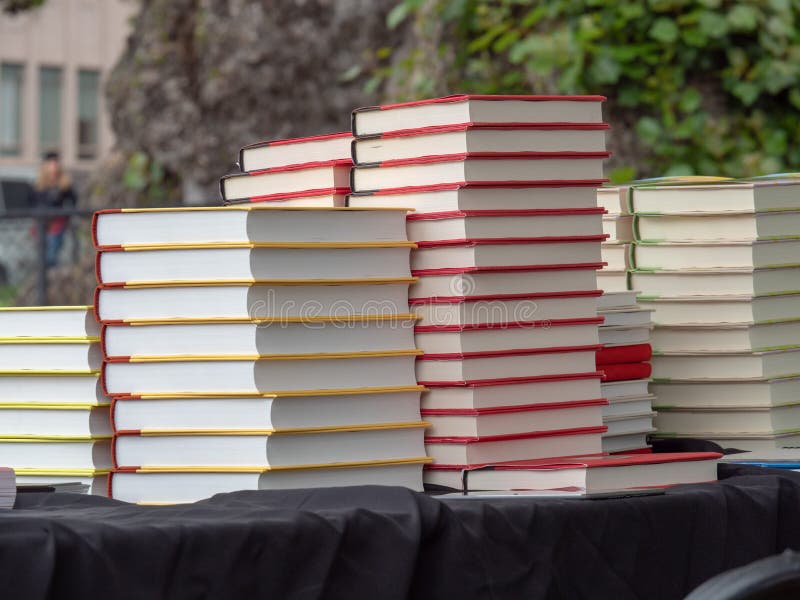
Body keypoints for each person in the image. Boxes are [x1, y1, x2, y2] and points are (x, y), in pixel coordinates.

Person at [31, 152, 76, 268]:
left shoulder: (64, 185)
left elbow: (72, 202)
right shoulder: (39, 185)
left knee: (52, 256)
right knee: (41, 256)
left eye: (56, 163)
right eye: (51, 164)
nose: (54, 166)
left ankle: (50, 279)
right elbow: (32, 202)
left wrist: (65, 217)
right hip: (41, 224)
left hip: (57, 223)